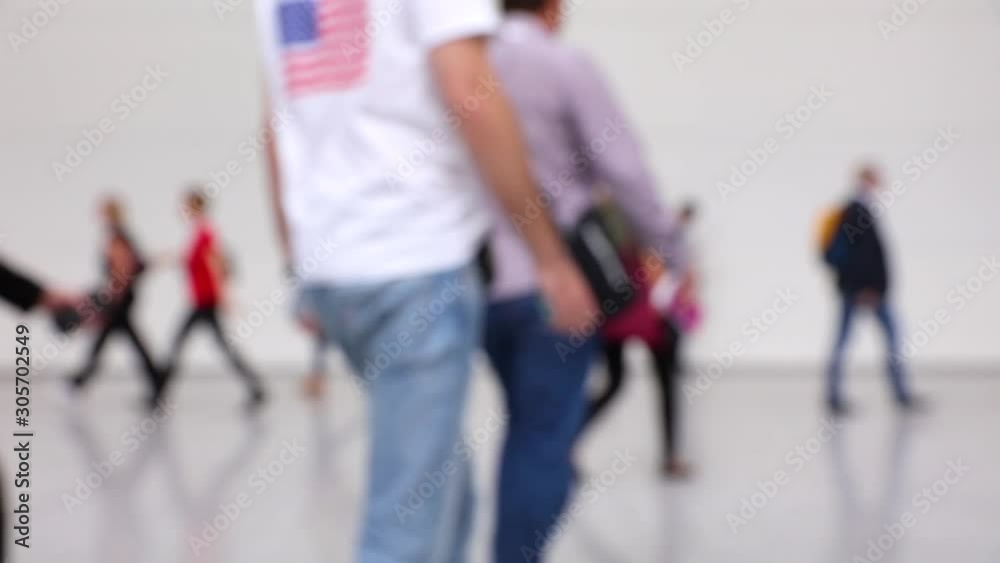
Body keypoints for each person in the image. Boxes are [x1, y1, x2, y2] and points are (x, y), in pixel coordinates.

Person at [255, 1, 595, 562]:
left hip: (335, 269)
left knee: (446, 492)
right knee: (403, 534)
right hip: (412, 261)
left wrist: (299, 258)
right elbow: (470, 93)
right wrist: (550, 258)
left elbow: (279, 118)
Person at [484, 1, 687, 560]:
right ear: (552, 9)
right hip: (555, 285)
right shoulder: (565, 64)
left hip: (473, 287)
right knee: (543, 443)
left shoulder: (464, 64)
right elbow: (625, 171)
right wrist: (672, 249)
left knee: (525, 431)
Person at [583, 203, 700, 479]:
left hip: (641, 317)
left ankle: (671, 456)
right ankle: (563, 444)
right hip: (629, 314)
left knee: (656, 385)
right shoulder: (628, 240)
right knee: (623, 383)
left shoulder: (636, 240)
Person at [155, 190, 266, 409]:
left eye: (185, 205)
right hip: (200, 299)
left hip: (205, 300)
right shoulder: (197, 233)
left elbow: (215, 266)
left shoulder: (205, 233)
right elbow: (194, 261)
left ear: (196, 207)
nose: (182, 210)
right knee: (215, 346)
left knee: (179, 344)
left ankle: (158, 394)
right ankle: (255, 387)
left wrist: (225, 296)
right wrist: (170, 259)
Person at [824, 165, 919, 414]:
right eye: (875, 178)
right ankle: (836, 396)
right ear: (865, 179)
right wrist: (867, 287)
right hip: (863, 290)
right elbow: (859, 256)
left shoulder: (860, 209)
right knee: (853, 339)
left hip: (862, 289)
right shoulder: (855, 211)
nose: (880, 182)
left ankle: (898, 393)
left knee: (850, 339)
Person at [69, 197, 162, 401]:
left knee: (114, 338)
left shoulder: (118, 236)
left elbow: (124, 267)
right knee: (118, 338)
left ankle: (81, 379)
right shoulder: (120, 235)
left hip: (119, 297)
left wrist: (114, 294)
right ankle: (156, 380)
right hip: (121, 296)